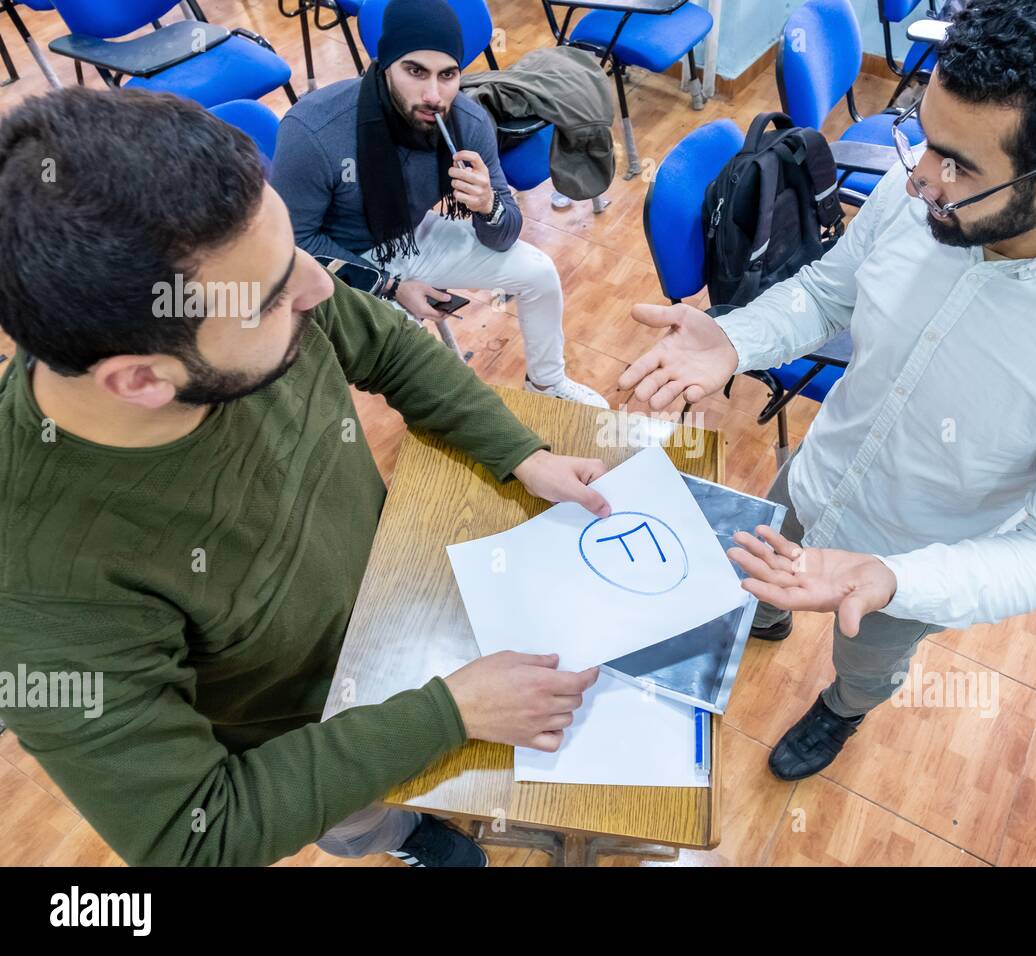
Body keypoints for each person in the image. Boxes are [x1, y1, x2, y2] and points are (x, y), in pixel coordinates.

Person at [0, 86, 613, 866]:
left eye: (292, 251)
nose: (318, 289)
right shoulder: (42, 593)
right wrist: (449, 714)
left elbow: (389, 345)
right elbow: (197, 835)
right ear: (141, 381)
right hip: (315, 741)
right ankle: (401, 837)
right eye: (272, 300)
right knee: (367, 820)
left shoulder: (252, 292)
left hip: (408, 610)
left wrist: (521, 452)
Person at [618, 0, 1036, 781]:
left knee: (867, 664)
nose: (920, 176)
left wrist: (897, 579)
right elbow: (831, 294)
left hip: (914, 560)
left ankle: (841, 713)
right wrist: (735, 338)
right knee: (758, 574)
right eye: (924, 137)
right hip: (817, 474)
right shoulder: (922, 190)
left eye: (958, 163)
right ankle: (761, 617)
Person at [271, 0, 607, 407]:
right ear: (384, 63)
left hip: (410, 235)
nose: (433, 94)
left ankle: (547, 384)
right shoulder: (314, 129)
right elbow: (295, 246)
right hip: (341, 262)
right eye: (415, 71)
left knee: (538, 273)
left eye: (447, 75)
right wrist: (390, 286)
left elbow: (503, 234)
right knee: (409, 350)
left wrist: (488, 206)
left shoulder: (468, 119)